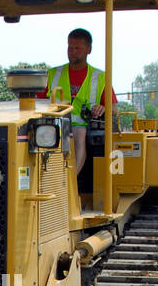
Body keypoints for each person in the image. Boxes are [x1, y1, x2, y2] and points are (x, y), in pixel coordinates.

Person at [46, 28, 116, 175]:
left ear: (88, 50)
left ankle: (71, 180)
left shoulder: (100, 77)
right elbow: (36, 101)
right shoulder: (53, 74)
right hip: (53, 123)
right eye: (70, 47)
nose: (72, 51)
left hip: (82, 125)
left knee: (78, 134)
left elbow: (114, 108)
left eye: (78, 48)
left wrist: (103, 108)